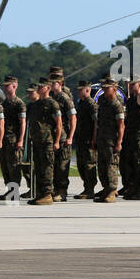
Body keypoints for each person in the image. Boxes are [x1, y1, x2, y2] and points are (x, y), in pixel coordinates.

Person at [26, 80, 62, 205]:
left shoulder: (52, 104)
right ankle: (40, 193)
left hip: (47, 140)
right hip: (36, 141)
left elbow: (59, 124)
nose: (39, 88)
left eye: (41, 87)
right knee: (38, 167)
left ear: (48, 88)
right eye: (38, 86)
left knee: (47, 167)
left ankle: (47, 194)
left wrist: (57, 141)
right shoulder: (36, 104)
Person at [94, 77, 125, 203]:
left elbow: (121, 125)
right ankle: (106, 189)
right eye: (104, 88)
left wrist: (119, 142)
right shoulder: (102, 100)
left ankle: (112, 191)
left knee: (111, 165)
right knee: (101, 165)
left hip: (112, 139)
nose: (105, 90)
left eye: (107, 88)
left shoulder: (117, 104)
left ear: (115, 89)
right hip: (102, 137)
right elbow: (98, 121)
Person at [48, 68, 75, 202]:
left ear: (61, 84)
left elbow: (73, 118)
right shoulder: (52, 97)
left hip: (63, 136)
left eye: (55, 83)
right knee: (54, 165)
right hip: (54, 135)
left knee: (62, 165)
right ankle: (55, 189)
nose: (52, 85)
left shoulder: (65, 98)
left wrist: (70, 137)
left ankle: (62, 191)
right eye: (51, 83)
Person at [0, 76, 27, 197]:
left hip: (14, 140)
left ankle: (14, 191)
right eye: (4, 85)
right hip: (4, 139)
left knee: (14, 167)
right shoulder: (4, 103)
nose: (5, 87)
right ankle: (10, 190)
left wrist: (20, 140)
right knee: (5, 166)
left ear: (14, 86)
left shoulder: (19, 103)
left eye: (8, 85)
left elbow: (23, 123)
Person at [121, 79, 140, 200]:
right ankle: (132, 188)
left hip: (139, 135)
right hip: (129, 135)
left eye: (133, 84)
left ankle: (139, 190)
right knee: (129, 162)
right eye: (129, 84)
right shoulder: (130, 100)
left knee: (139, 163)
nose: (131, 86)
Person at [73, 81, 99, 199]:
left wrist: (94, 138)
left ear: (87, 90)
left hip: (89, 139)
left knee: (89, 165)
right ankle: (86, 187)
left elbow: (96, 122)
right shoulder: (81, 103)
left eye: (80, 90)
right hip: (81, 139)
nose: (78, 92)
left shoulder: (91, 104)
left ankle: (90, 189)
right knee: (81, 165)